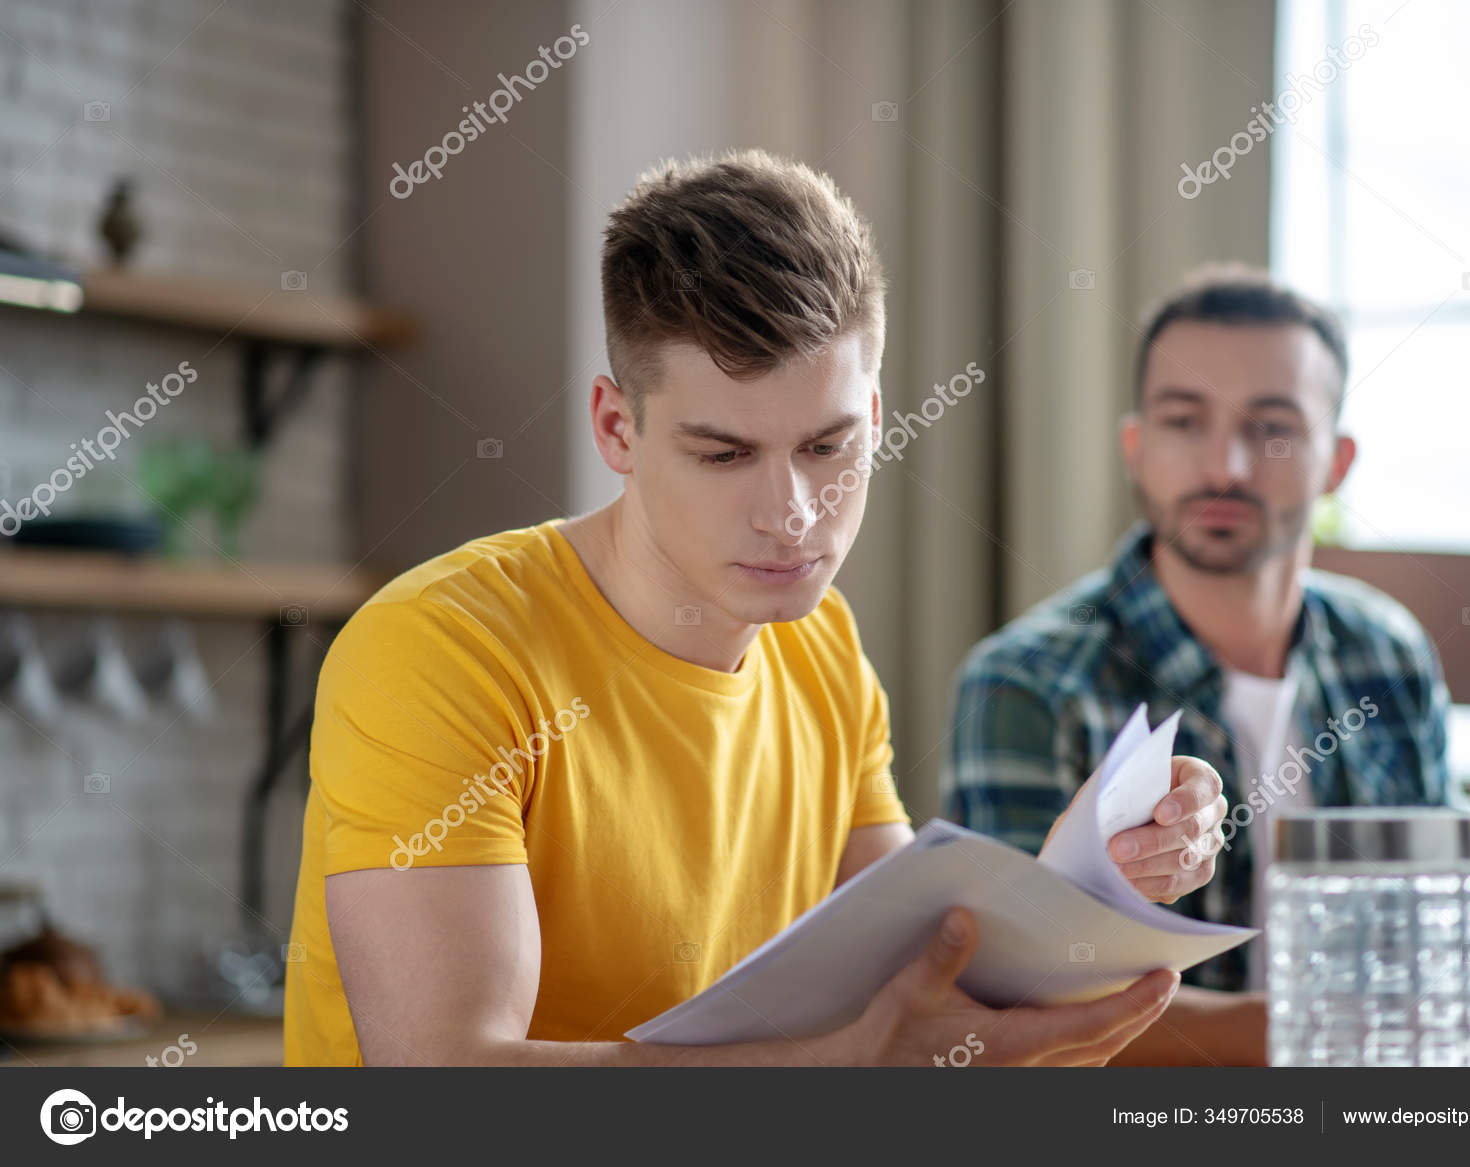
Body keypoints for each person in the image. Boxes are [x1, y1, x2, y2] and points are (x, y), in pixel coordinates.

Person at [283, 150, 1228, 1066]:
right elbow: (446, 1080)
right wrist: (841, 1074)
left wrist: (1088, 878)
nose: (792, 515)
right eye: (725, 454)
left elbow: (914, 989)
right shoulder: (440, 650)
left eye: (828, 446)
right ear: (618, 427)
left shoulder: (821, 646)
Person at [943, 265, 1470, 1064]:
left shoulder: (1388, 652)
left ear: (1335, 461)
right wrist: (1344, 1024)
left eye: (1271, 427)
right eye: (1184, 421)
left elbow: (1465, 921)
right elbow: (1019, 1003)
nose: (1225, 464)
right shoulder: (1026, 679)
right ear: (1137, 447)